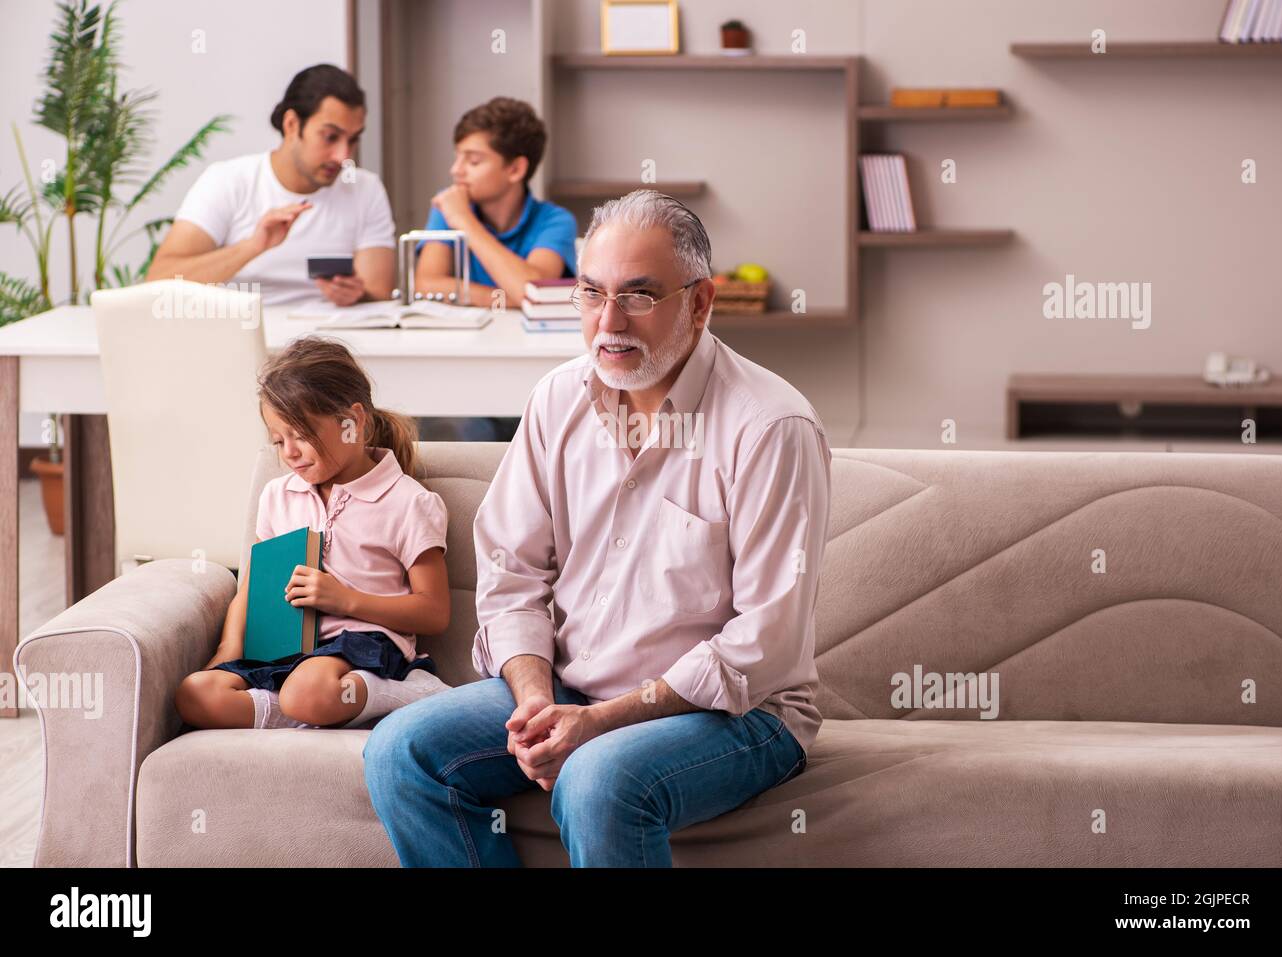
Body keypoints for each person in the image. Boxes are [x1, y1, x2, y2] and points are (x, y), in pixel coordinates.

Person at [364, 190, 831, 867]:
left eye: (639, 295)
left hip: (741, 713)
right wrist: (535, 704)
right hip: (572, 687)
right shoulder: (558, 398)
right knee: (400, 751)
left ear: (700, 303)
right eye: (591, 293)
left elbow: (766, 641)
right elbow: (512, 570)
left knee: (599, 779)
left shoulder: (770, 427)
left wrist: (599, 723)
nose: (609, 322)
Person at [175, 336, 451, 730]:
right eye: (278, 440)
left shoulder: (407, 502)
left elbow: (434, 612)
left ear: (352, 422)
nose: (289, 452)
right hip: (289, 652)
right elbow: (252, 589)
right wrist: (228, 652)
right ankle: (308, 711)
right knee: (196, 693)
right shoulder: (278, 496)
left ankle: (419, 694)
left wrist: (346, 599)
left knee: (308, 688)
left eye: (301, 435)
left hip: (366, 647)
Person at [147, 64, 396, 307]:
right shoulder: (228, 181)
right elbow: (161, 281)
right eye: (330, 137)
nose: (343, 156)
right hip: (244, 338)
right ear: (291, 124)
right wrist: (253, 246)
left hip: (329, 344)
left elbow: (378, 290)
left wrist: (356, 295)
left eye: (352, 140)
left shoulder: (365, 189)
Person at [414, 96, 576, 309]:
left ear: (515, 169)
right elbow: (426, 285)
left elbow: (535, 293)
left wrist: (464, 221)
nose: (455, 170)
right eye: (457, 158)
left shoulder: (556, 221)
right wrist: (508, 297)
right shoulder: (448, 207)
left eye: (473, 161)